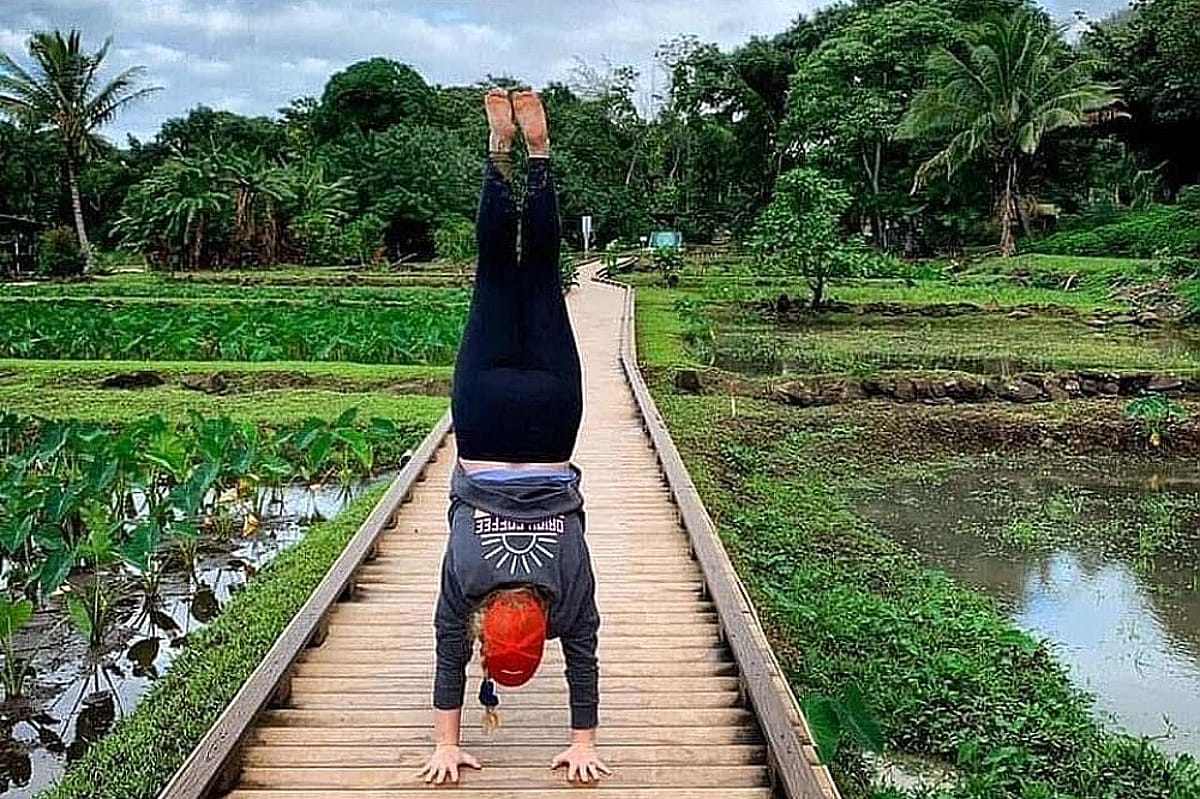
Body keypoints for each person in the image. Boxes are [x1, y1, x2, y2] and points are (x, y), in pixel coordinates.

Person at [416, 88, 611, 786]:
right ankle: (499, 149)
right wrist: (445, 744)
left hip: (553, 420)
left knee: (541, 275)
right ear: (486, 628)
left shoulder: (568, 590)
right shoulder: (467, 579)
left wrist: (584, 741)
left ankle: (538, 152)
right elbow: (447, 653)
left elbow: (584, 656)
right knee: (497, 274)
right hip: (484, 417)